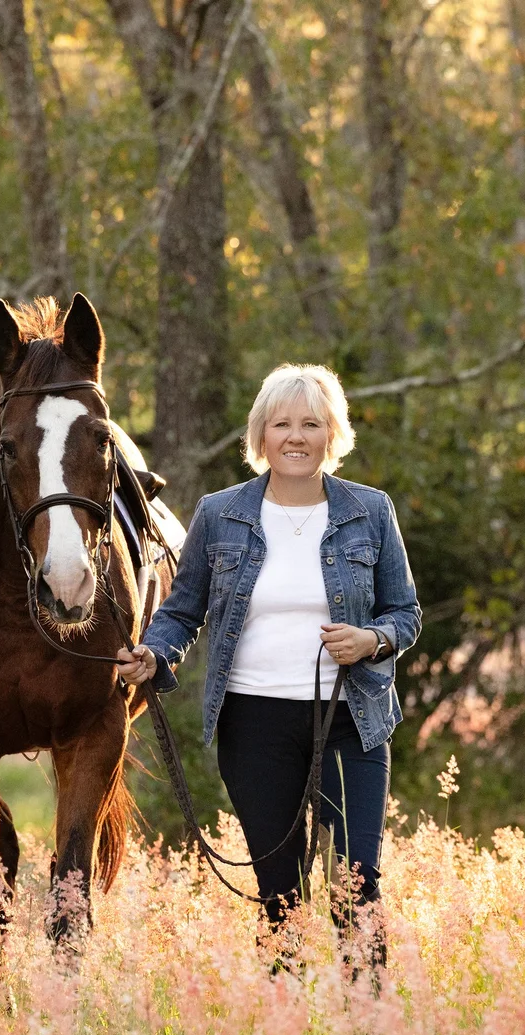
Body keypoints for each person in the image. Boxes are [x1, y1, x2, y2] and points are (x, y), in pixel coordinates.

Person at [117, 363, 421, 971]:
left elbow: (406, 614)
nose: (296, 437)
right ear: (261, 435)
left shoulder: (370, 511)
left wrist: (371, 639)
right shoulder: (220, 513)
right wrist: (154, 652)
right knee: (280, 894)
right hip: (253, 724)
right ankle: (284, 1018)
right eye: (281, 424)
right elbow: (183, 610)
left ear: (332, 433)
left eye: (311, 423)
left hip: (350, 721)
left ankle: (371, 1017)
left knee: (356, 884)